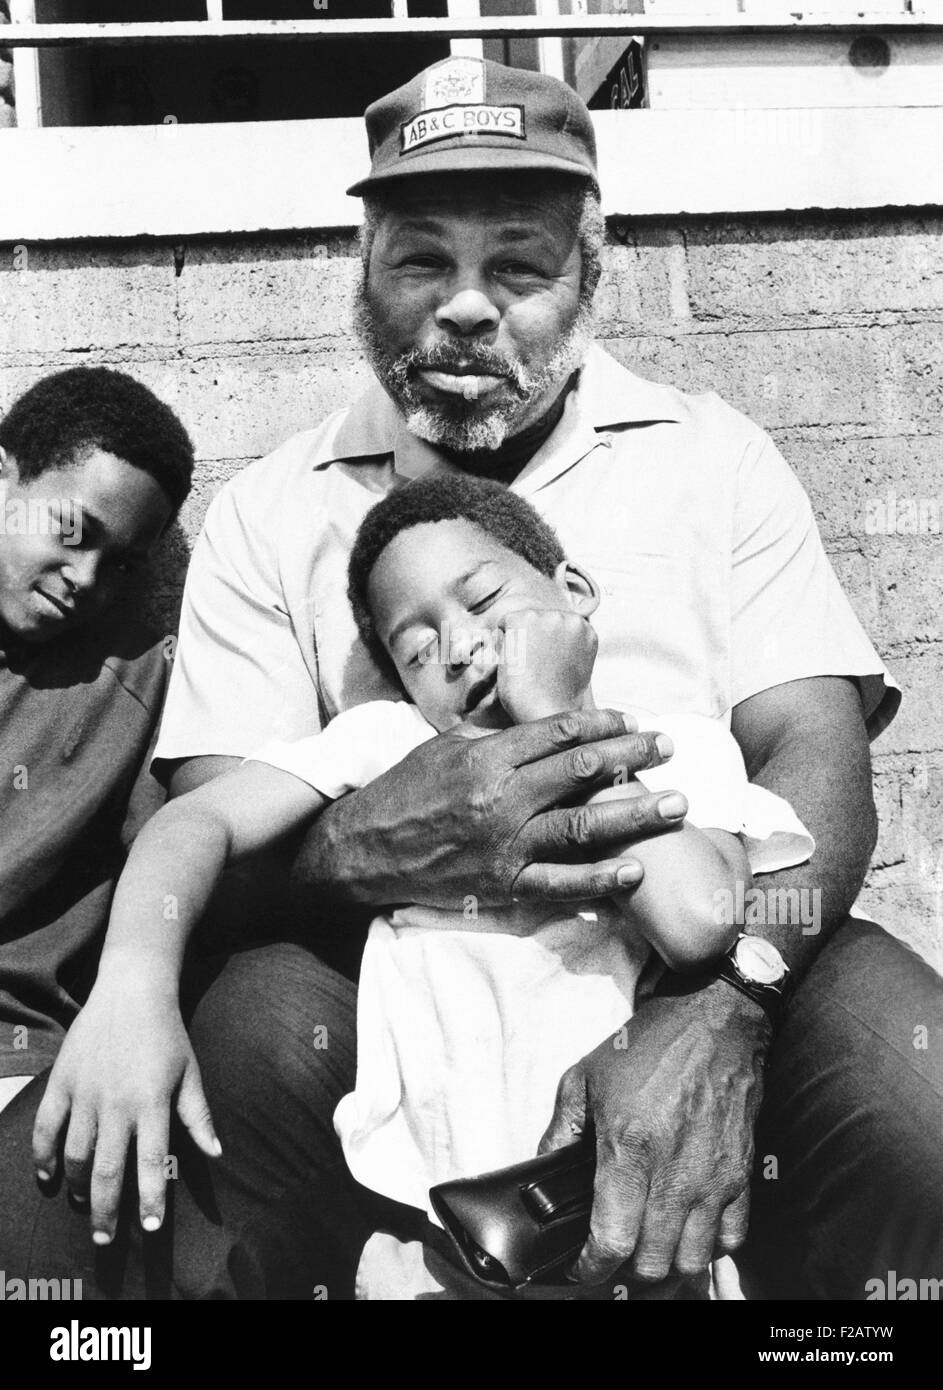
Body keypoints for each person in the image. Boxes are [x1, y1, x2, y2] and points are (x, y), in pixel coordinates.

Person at [18, 58, 943, 1300]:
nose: (464, 306)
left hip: (729, 931)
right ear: (363, 267)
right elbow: (219, 844)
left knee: (913, 1084)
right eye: (418, 261)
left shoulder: (711, 458)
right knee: (237, 1061)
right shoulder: (274, 508)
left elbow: (820, 779)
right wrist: (365, 848)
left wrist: (730, 992)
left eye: (516, 263)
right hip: (394, 962)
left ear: (587, 270)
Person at [38, 472, 816, 1295]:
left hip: (624, 1208)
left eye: (484, 601)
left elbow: (697, 919)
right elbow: (196, 824)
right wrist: (132, 985)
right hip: (430, 1225)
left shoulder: (678, 747)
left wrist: (561, 715)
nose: (457, 645)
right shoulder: (397, 744)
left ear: (573, 594)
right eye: (416, 648)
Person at [0, 367, 192, 1119]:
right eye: (73, 531)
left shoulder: (139, 681)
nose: (84, 577)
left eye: (120, 565)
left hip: (20, 1064)